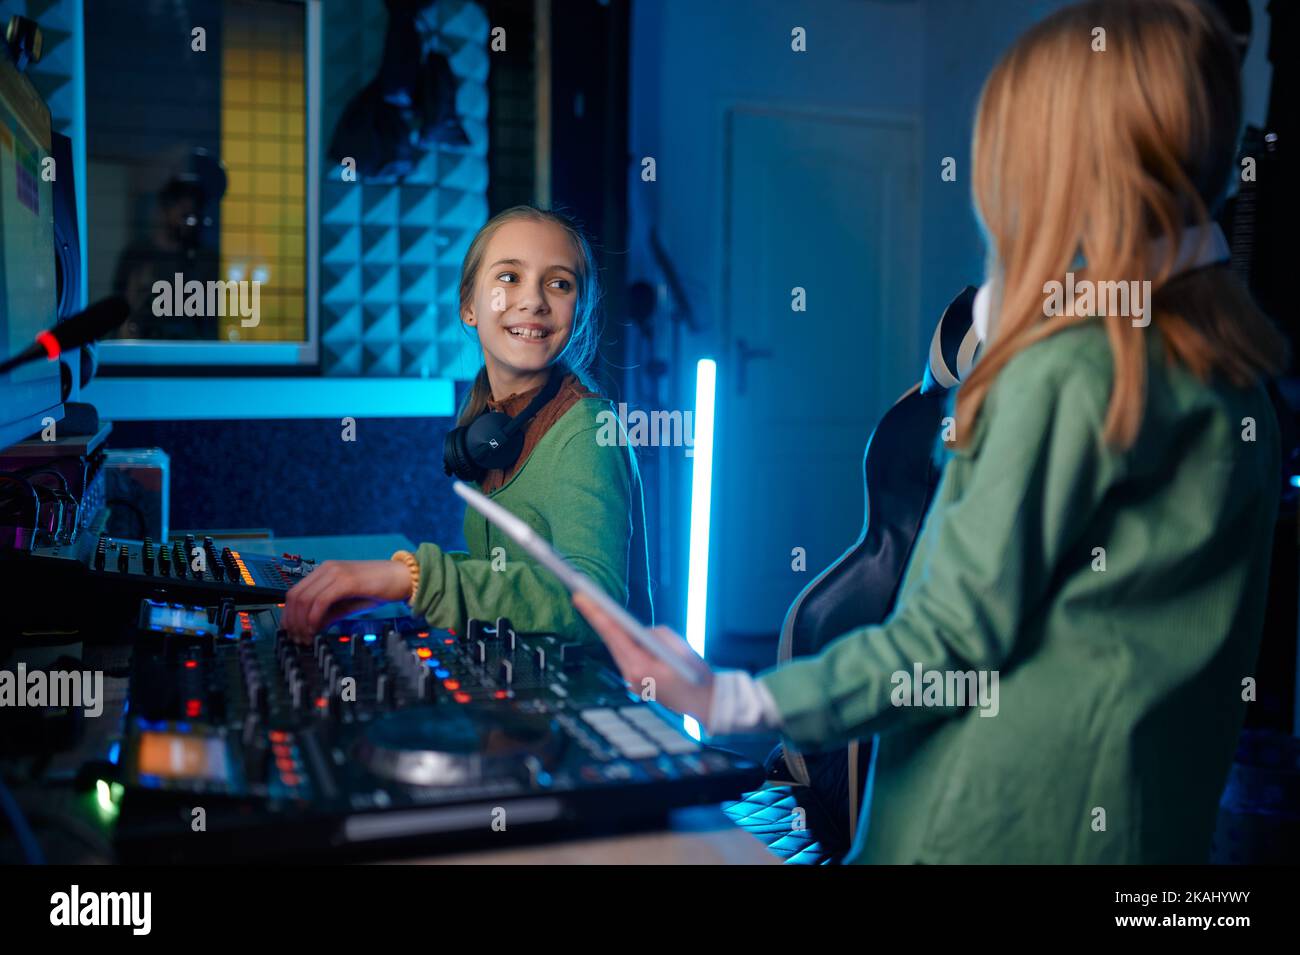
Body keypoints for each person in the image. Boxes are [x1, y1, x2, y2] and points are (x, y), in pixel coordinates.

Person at [576, 0, 1286, 864]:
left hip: (978, 830)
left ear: (1061, 165)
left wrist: (723, 695)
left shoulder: (1069, 370)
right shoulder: (1240, 384)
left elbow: (941, 643)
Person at [283, 206, 651, 642]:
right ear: (469, 306)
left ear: (579, 311)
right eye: (510, 277)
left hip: (594, 699)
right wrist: (407, 585)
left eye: (558, 283)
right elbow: (511, 574)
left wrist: (414, 579)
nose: (533, 300)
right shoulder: (490, 422)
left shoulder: (587, 433)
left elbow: (595, 603)